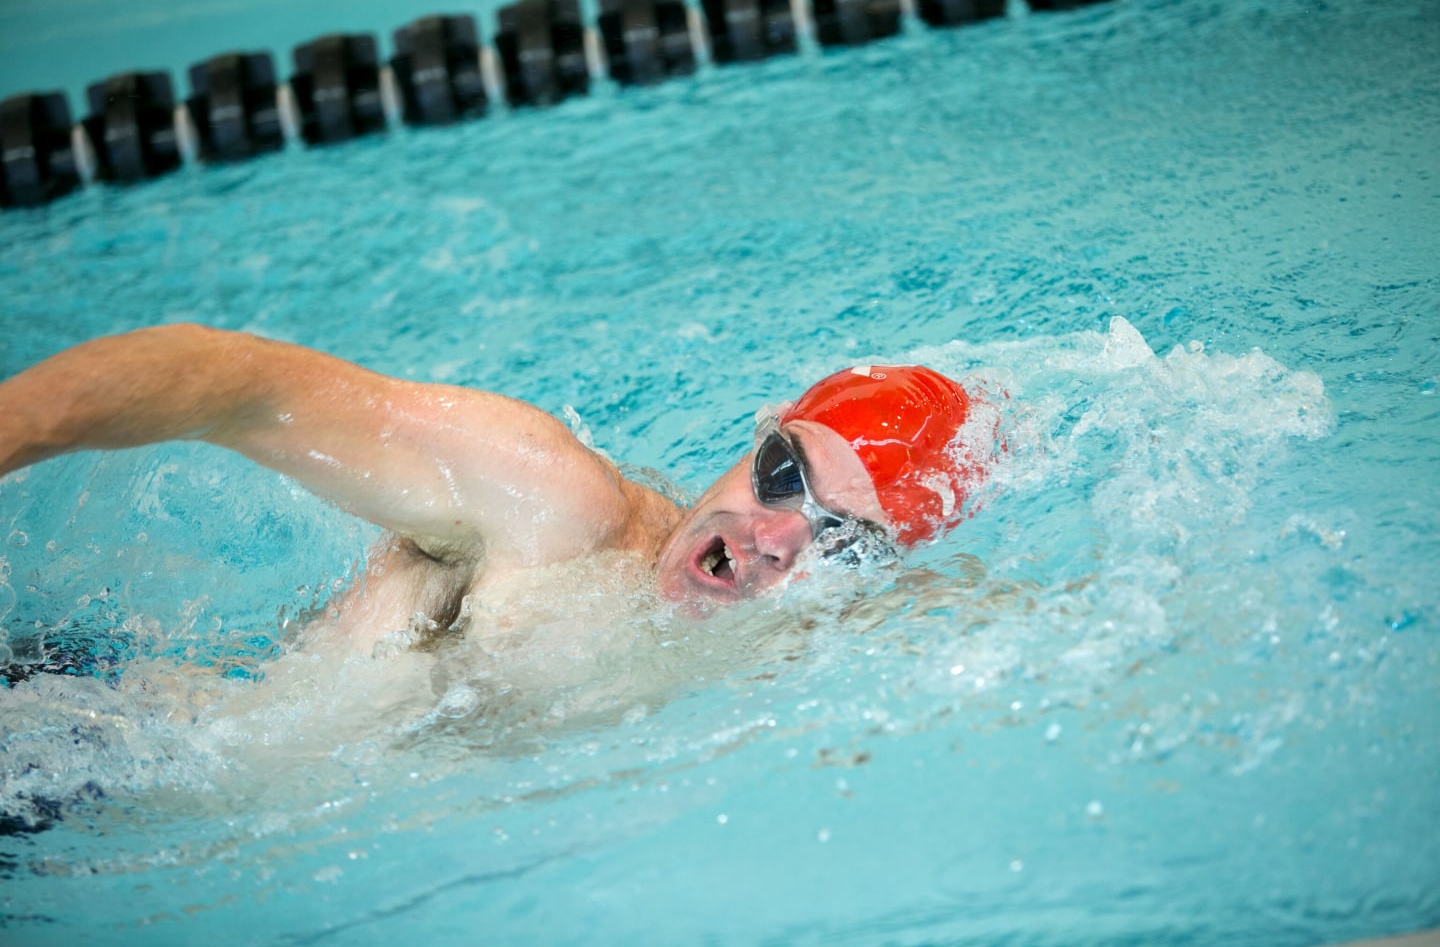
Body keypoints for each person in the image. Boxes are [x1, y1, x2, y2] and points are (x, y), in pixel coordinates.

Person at [0, 324, 987, 650]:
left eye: (843, 544)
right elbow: (238, 387)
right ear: (761, 433)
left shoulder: (805, 647)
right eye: (784, 475)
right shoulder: (553, 506)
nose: (776, 535)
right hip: (85, 763)